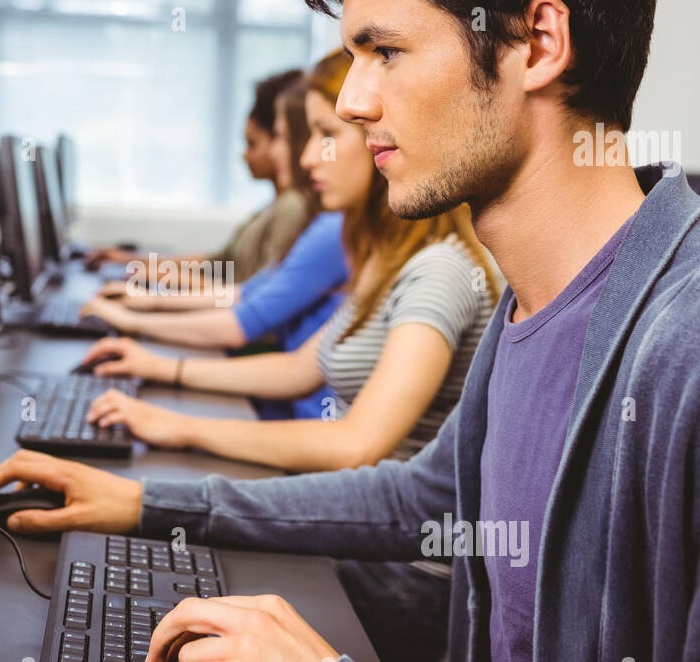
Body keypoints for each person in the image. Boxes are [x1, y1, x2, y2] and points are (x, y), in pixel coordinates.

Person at [0, 0, 700, 662]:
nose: (350, 102)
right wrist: (146, 501)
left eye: (384, 50)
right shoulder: (533, 301)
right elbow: (420, 500)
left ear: (537, 43)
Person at [79, 48, 497, 476]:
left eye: (327, 135)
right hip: (330, 487)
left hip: (366, 519)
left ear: (383, 138)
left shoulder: (439, 272)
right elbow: (298, 369)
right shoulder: (385, 260)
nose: (307, 157)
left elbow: (356, 445)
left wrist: (179, 426)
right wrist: (160, 367)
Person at [83, 66, 352, 420]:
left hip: (283, 403)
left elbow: (244, 315)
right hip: (282, 399)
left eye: (284, 139)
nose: (283, 153)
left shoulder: (329, 228)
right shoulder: (326, 224)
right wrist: (146, 297)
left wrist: (138, 317)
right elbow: (244, 291)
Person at [86, 68, 314, 283]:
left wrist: (146, 281)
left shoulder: (292, 206)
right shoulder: (272, 207)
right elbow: (218, 264)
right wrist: (132, 263)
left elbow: (252, 299)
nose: (244, 155)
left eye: (253, 143)